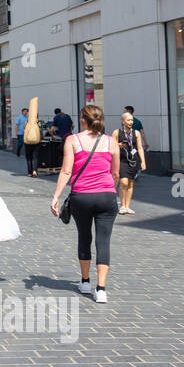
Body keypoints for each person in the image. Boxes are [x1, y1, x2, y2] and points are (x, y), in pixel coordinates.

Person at [50, 104, 120, 304]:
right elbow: (115, 173)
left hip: (81, 197)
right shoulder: (110, 142)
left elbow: (66, 171)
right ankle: (101, 289)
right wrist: (108, 188)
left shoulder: (72, 140)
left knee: (84, 236)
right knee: (103, 241)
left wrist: (56, 196)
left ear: (82, 120)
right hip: (106, 196)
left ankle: (86, 281)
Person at [112, 109, 145, 214]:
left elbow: (139, 147)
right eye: (128, 120)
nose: (131, 122)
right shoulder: (117, 132)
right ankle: (122, 205)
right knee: (123, 182)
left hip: (133, 160)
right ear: (123, 121)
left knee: (130, 183)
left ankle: (127, 206)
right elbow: (111, 146)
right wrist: (119, 145)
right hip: (121, 160)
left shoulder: (136, 133)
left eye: (132, 120)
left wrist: (143, 161)